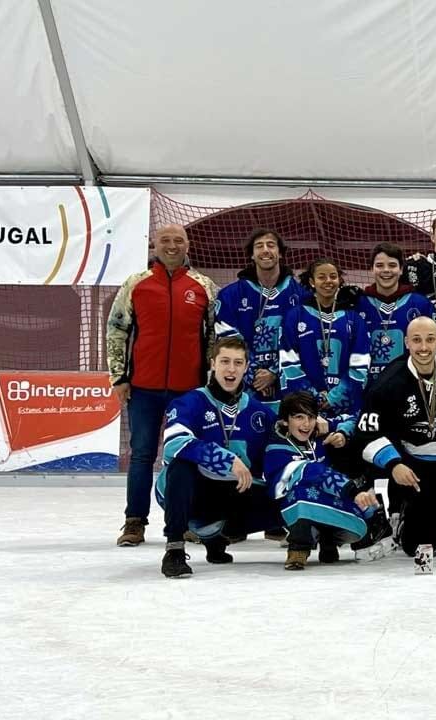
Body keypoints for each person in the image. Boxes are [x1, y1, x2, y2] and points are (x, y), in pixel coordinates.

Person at [108, 223, 218, 547]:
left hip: (189, 393)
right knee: (142, 454)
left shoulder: (204, 287)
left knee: (183, 456)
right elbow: (116, 330)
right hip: (143, 388)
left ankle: (183, 521)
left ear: (188, 245)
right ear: (154, 245)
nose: (171, 246)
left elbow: (214, 338)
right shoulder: (135, 284)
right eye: (165, 240)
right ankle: (134, 522)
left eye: (178, 241)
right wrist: (119, 377)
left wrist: (209, 386)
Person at [154, 338, 279, 578]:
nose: (231, 369)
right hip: (190, 492)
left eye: (237, 363)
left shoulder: (259, 412)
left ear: (246, 367)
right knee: (181, 466)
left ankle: (215, 535)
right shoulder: (190, 402)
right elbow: (173, 444)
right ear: (213, 364)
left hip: (231, 493)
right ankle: (175, 550)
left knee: (285, 496)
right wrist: (227, 460)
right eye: (224, 361)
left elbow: (281, 451)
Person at [354, 316, 436, 557]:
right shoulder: (389, 382)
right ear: (406, 343)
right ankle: (401, 517)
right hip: (409, 459)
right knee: (415, 544)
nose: (423, 347)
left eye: (429, 340)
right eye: (416, 340)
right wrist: (394, 465)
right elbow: (366, 432)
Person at [264, 391, 392, 570]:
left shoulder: (318, 434)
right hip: (291, 510)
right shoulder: (276, 449)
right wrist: (351, 490)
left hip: (327, 504)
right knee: (301, 493)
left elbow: (357, 418)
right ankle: (298, 549)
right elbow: (311, 471)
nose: (306, 424)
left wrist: (341, 432)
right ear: (285, 420)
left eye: (311, 417)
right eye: (299, 417)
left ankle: (331, 539)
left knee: (350, 459)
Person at [213, 229, 305, 408]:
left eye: (271, 245)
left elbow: (304, 342)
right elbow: (228, 342)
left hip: (289, 390)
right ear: (252, 256)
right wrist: (256, 376)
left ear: (280, 254)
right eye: (259, 246)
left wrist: (273, 372)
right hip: (244, 388)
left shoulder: (301, 294)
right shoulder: (229, 295)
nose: (265, 250)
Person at [279, 258, 370, 422]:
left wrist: (335, 396)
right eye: (322, 277)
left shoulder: (353, 318)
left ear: (339, 280)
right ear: (312, 282)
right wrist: (313, 396)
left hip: (345, 408)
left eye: (333, 276)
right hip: (306, 406)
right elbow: (288, 361)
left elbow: (361, 362)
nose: (328, 281)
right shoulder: (295, 315)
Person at [356, 242, 435, 385]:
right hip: (368, 389)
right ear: (371, 269)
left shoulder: (421, 304)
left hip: (408, 386)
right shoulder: (357, 304)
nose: (386, 270)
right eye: (379, 265)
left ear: (401, 270)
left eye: (392, 265)